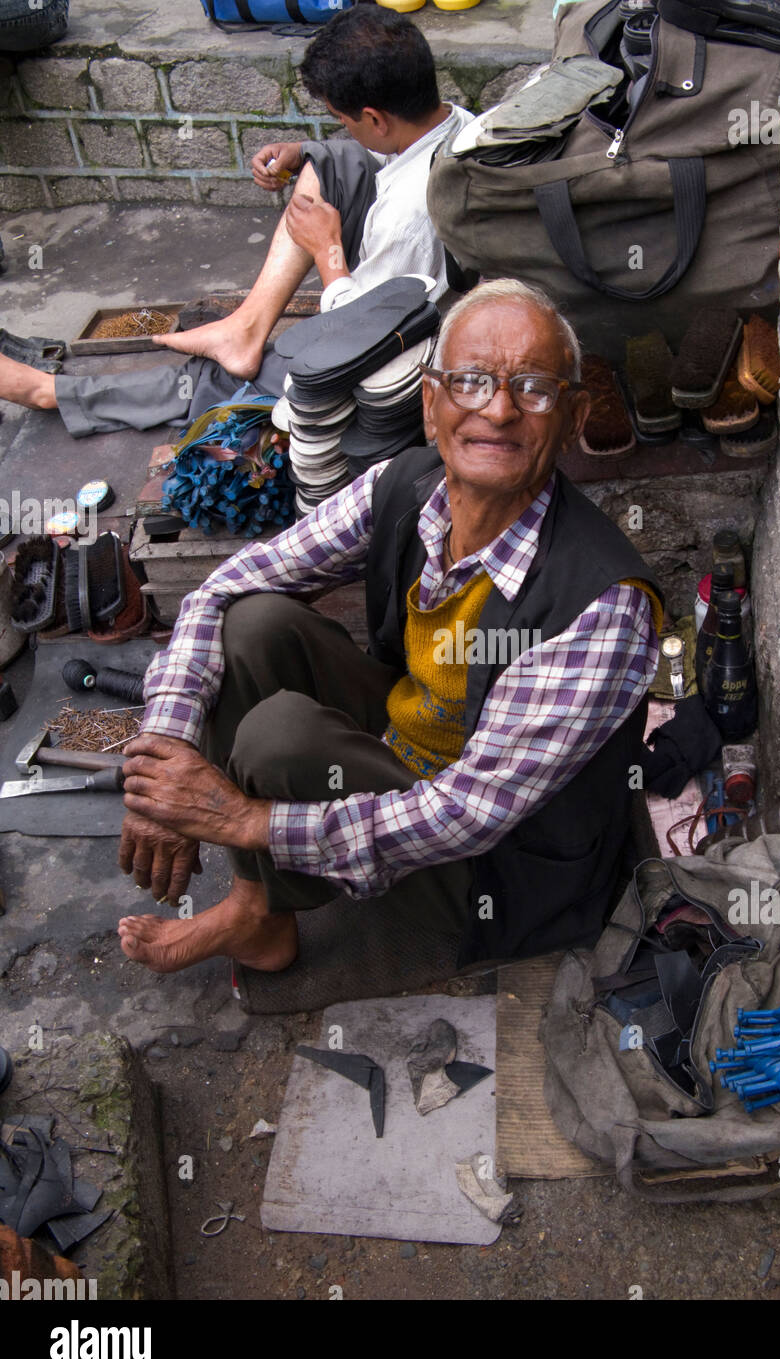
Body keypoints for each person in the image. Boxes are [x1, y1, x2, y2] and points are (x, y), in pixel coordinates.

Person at [115, 280, 664, 1001]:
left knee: (279, 737)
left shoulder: (602, 605)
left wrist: (244, 820)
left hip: (498, 863)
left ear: (571, 419)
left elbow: (465, 814)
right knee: (254, 621)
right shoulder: (405, 487)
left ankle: (261, 900)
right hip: (407, 746)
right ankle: (261, 912)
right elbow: (226, 585)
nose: (496, 410)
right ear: (431, 405)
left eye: (532, 388)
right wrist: (169, 757)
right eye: (469, 382)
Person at [0, 7, 471, 437]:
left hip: (401, 354)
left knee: (213, 379)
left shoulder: (408, 218)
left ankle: (53, 393)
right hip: (407, 253)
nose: (343, 126)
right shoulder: (455, 122)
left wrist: (329, 253)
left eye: (342, 118)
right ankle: (246, 326)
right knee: (331, 162)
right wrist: (305, 151)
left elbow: (365, 339)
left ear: (374, 117)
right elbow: (364, 150)